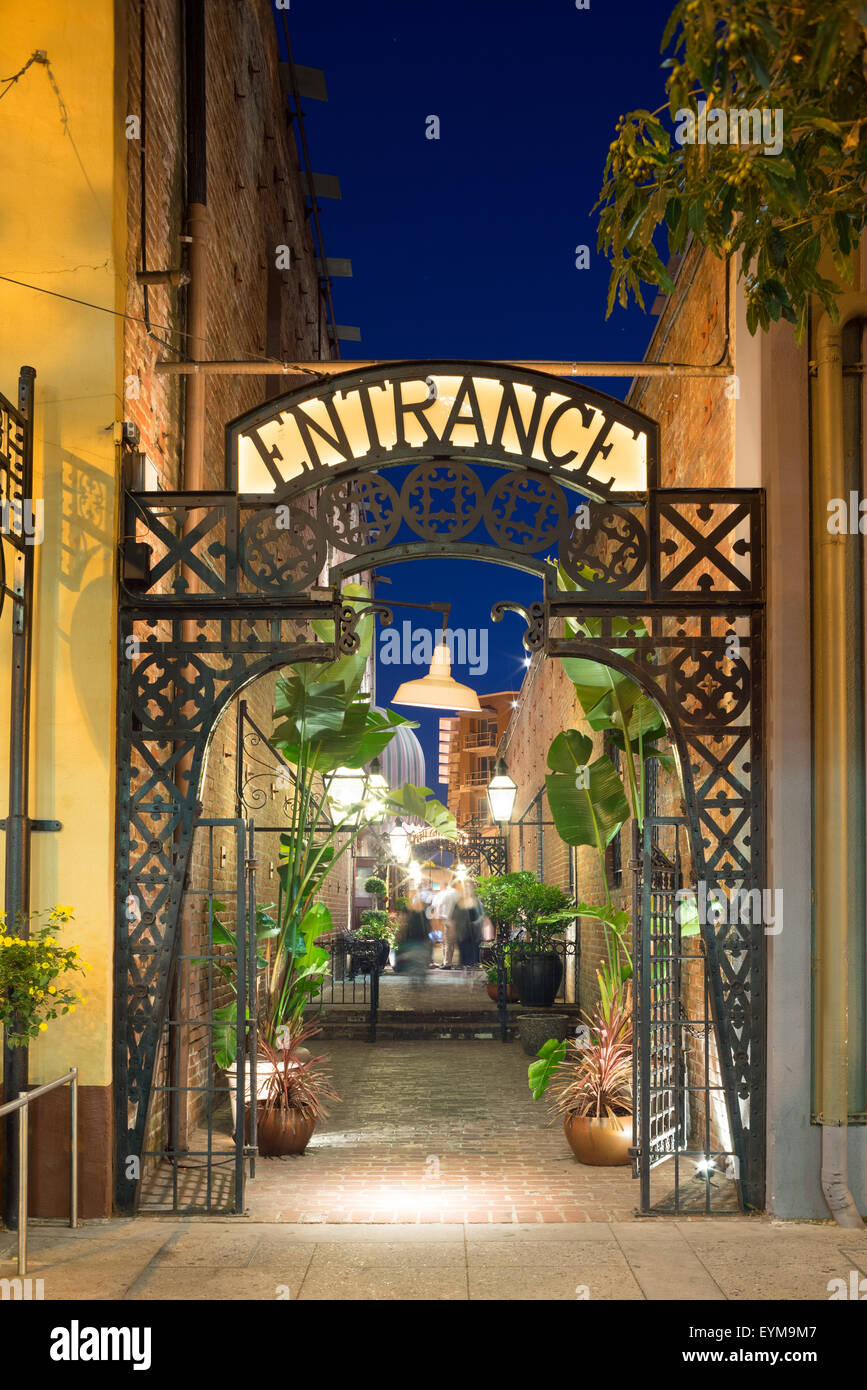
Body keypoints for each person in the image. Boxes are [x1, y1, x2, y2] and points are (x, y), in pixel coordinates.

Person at [394, 891, 432, 987]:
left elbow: (430, 923)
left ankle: (418, 974)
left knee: (419, 956)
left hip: (421, 937)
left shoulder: (424, 910)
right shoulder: (408, 909)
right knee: (414, 956)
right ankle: (416, 975)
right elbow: (402, 921)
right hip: (413, 936)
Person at [453, 882, 484, 977]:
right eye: (465, 889)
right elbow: (454, 918)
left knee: (473, 954)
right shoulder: (458, 903)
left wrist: (478, 924)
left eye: (468, 889)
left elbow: (482, 916)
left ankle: (470, 971)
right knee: (464, 954)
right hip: (462, 932)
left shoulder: (477, 902)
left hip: (474, 932)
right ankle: (466, 970)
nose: (467, 891)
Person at [433, 874, 459, 968]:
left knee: (446, 942)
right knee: (449, 942)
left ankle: (446, 962)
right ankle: (447, 962)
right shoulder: (457, 894)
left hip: (445, 919)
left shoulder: (446, 893)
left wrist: (438, 916)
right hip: (454, 920)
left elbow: (439, 906)